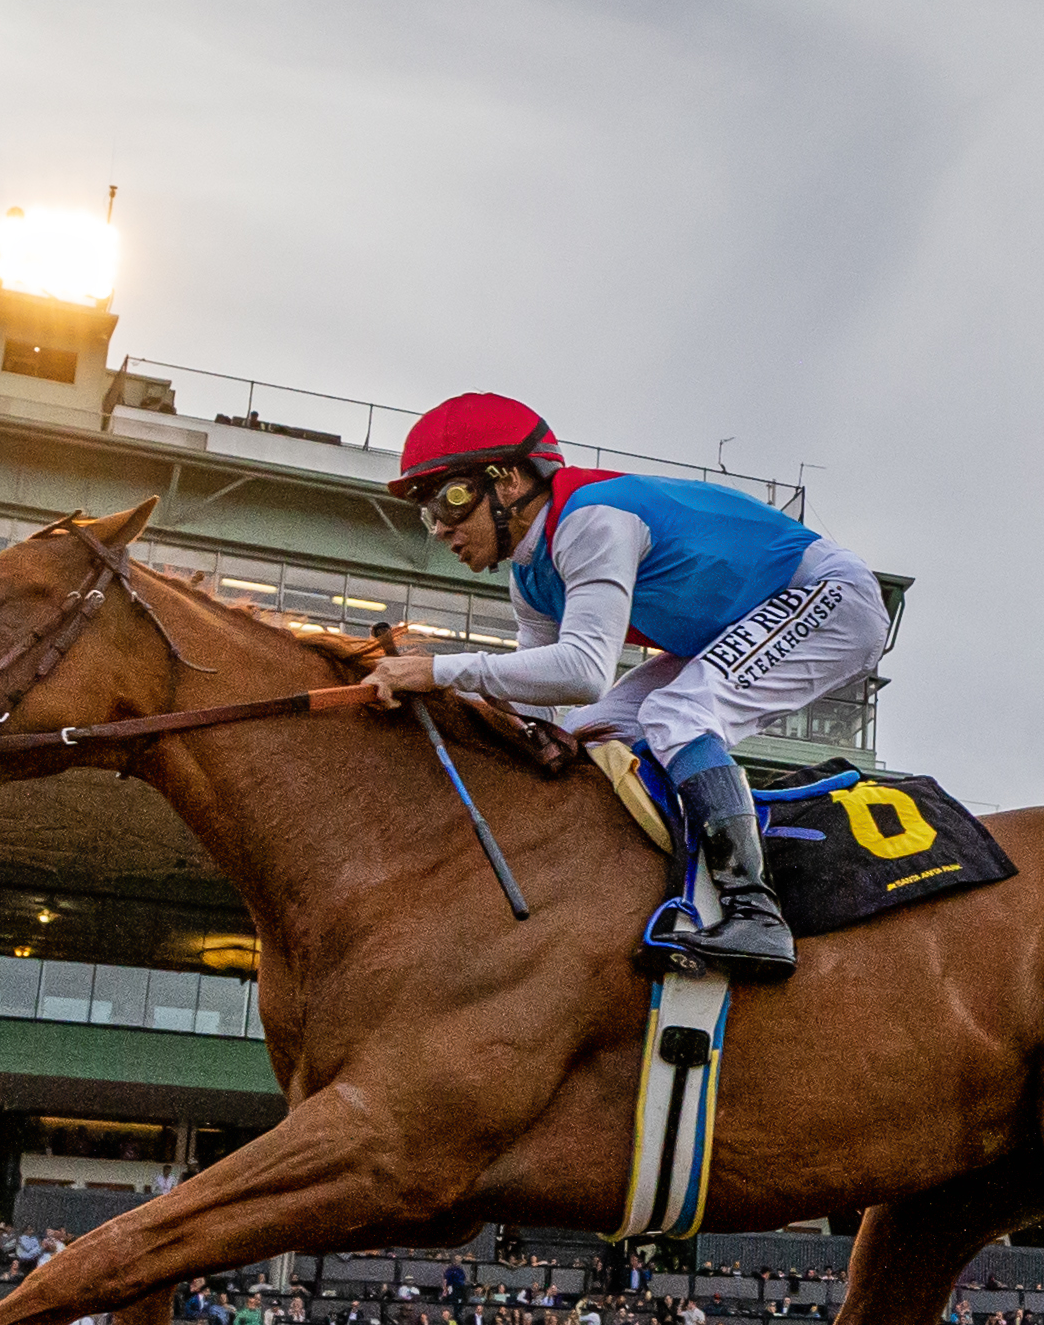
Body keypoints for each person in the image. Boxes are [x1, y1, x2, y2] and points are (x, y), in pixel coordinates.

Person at [369, 392, 890, 978]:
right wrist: (439, 698)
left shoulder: (593, 520)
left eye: (449, 499)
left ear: (509, 480)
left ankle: (756, 911)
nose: (439, 528)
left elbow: (585, 671)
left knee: (679, 717)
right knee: (585, 732)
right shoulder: (529, 577)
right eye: (427, 513)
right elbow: (534, 698)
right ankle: (664, 888)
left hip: (829, 597)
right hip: (734, 626)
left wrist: (437, 669)